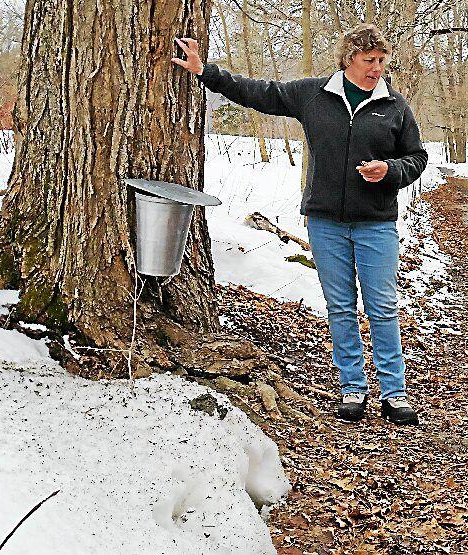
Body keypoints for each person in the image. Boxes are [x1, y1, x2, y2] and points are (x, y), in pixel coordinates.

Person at [171, 24, 428, 426]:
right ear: (348, 60)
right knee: (340, 308)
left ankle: (394, 394)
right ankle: (353, 389)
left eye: (381, 61)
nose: (377, 69)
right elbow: (261, 93)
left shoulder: (394, 106)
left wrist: (390, 170)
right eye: (369, 61)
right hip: (325, 222)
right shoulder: (314, 94)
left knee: (381, 308)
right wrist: (207, 72)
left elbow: (417, 157)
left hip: (376, 224)